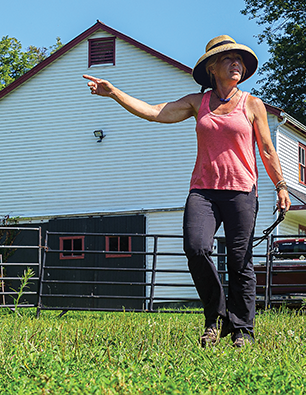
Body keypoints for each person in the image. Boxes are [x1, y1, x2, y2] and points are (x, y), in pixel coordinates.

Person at [83, 34, 291, 348]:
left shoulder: (252, 104)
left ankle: (242, 331)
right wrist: (114, 93)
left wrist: (281, 186)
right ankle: (216, 316)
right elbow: (154, 112)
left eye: (239, 60)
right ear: (211, 68)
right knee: (196, 248)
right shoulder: (198, 103)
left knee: (239, 262)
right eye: (227, 59)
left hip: (241, 192)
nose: (235, 64)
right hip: (203, 192)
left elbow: (267, 149)